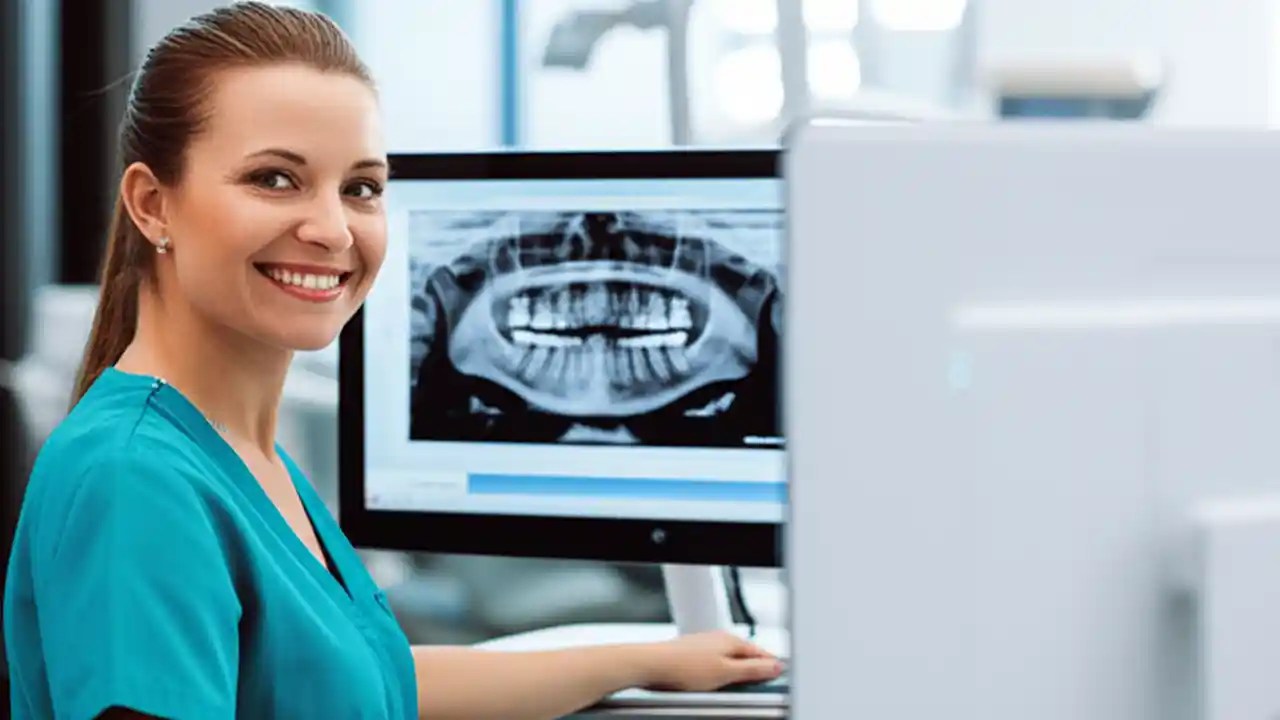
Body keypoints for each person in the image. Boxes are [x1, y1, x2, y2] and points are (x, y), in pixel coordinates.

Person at [1, 3, 783, 719]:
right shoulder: (137, 482)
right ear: (152, 204)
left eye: (362, 188)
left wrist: (644, 660)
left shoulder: (240, 455)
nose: (334, 230)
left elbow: (360, 682)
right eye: (275, 179)